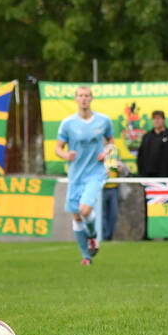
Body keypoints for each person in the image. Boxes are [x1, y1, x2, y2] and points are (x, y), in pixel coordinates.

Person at [56, 85, 114, 266]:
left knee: (85, 209)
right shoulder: (68, 123)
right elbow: (58, 148)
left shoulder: (103, 121)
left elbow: (111, 143)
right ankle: (86, 256)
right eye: (80, 96)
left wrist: (107, 152)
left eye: (87, 96)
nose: (84, 99)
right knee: (77, 216)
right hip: (76, 175)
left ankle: (93, 237)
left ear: (91, 98)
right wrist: (66, 155)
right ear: (75, 99)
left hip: (96, 173)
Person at [136, 110, 168, 239]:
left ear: (164, 120)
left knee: (166, 206)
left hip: (166, 178)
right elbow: (141, 157)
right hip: (150, 179)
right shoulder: (147, 136)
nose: (157, 121)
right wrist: (142, 175)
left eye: (159, 118)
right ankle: (148, 233)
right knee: (149, 207)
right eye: (154, 119)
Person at [101, 140, 128, 241]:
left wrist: (122, 168)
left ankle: (109, 236)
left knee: (113, 214)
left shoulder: (115, 150)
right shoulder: (96, 150)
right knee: (101, 215)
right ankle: (103, 236)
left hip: (114, 188)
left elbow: (124, 169)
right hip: (101, 189)